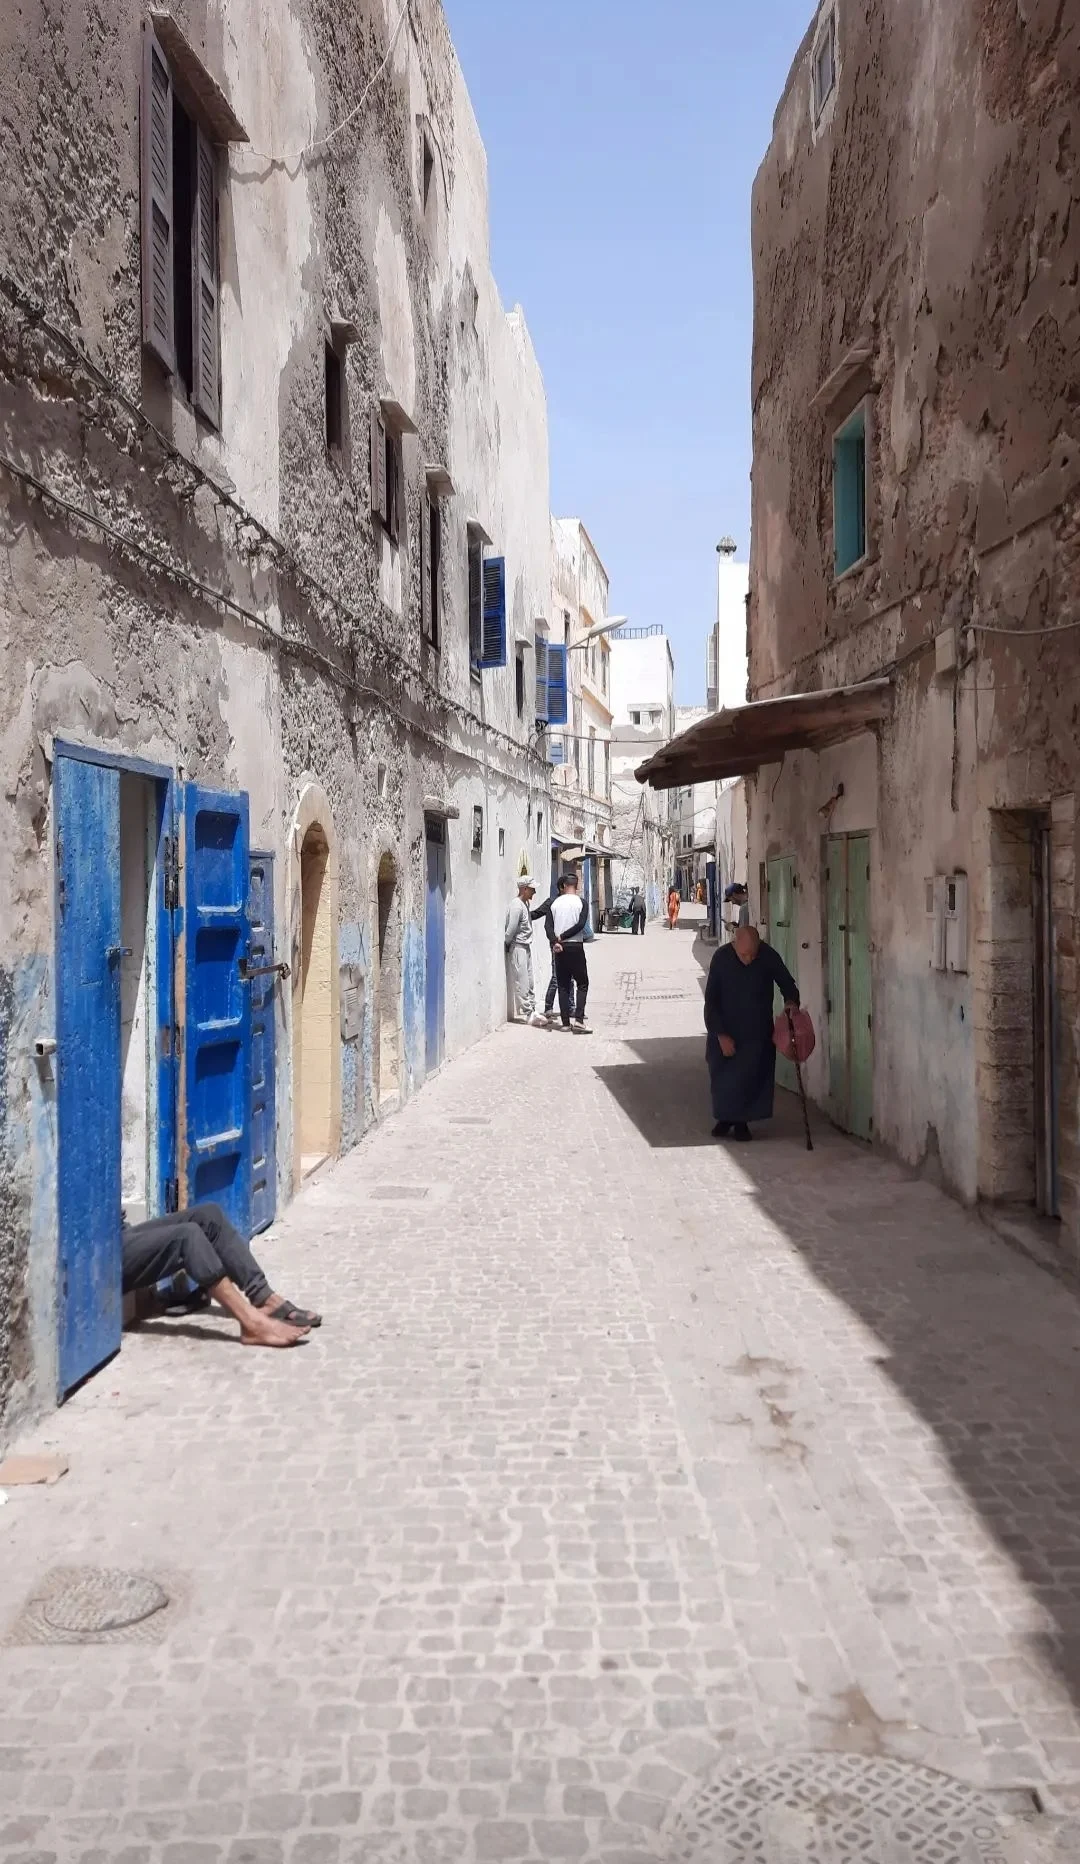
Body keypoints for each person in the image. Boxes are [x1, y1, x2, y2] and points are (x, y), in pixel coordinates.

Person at [122, 1203, 320, 1347]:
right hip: (106, 1255)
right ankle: (252, 1324)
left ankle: (264, 1297)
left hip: (119, 1233)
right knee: (187, 1237)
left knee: (209, 1215)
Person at [704, 924, 799, 1141]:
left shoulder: (767, 956)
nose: (748, 959)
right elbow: (711, 1000)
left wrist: (791, 1003)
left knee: (750, 1076)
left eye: (753, 954)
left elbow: (787, 983)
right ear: (734, 943)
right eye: (744, 954)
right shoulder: (721, 958)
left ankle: (741, 1122)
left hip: (756, 1030)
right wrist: (720, 1034)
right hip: (725, 1028)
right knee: (724, 1077)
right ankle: (726, 1118)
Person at [545, 871, 592, 1033]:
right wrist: (564, 937)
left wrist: (555, 941)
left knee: (563, 985)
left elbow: (548, 926)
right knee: (582, 983)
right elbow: (580, 925)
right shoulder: (582, 903)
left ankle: (565, 1023)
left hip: (559, 949)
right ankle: (578, 1020)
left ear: (564, 886)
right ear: (577, 886)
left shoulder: (555, 904)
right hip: (575, 946)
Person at [504, 876, 548, 1026]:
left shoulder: (524, 904)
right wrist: (508, 943)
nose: (534, 892)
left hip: (525, 946)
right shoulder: (516, 905)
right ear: (524, 889)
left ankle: (533, 1009)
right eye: (532, 889)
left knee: (529, 980)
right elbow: (511, 929)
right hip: (518, 947)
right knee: (522, 981)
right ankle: (528, 1013)